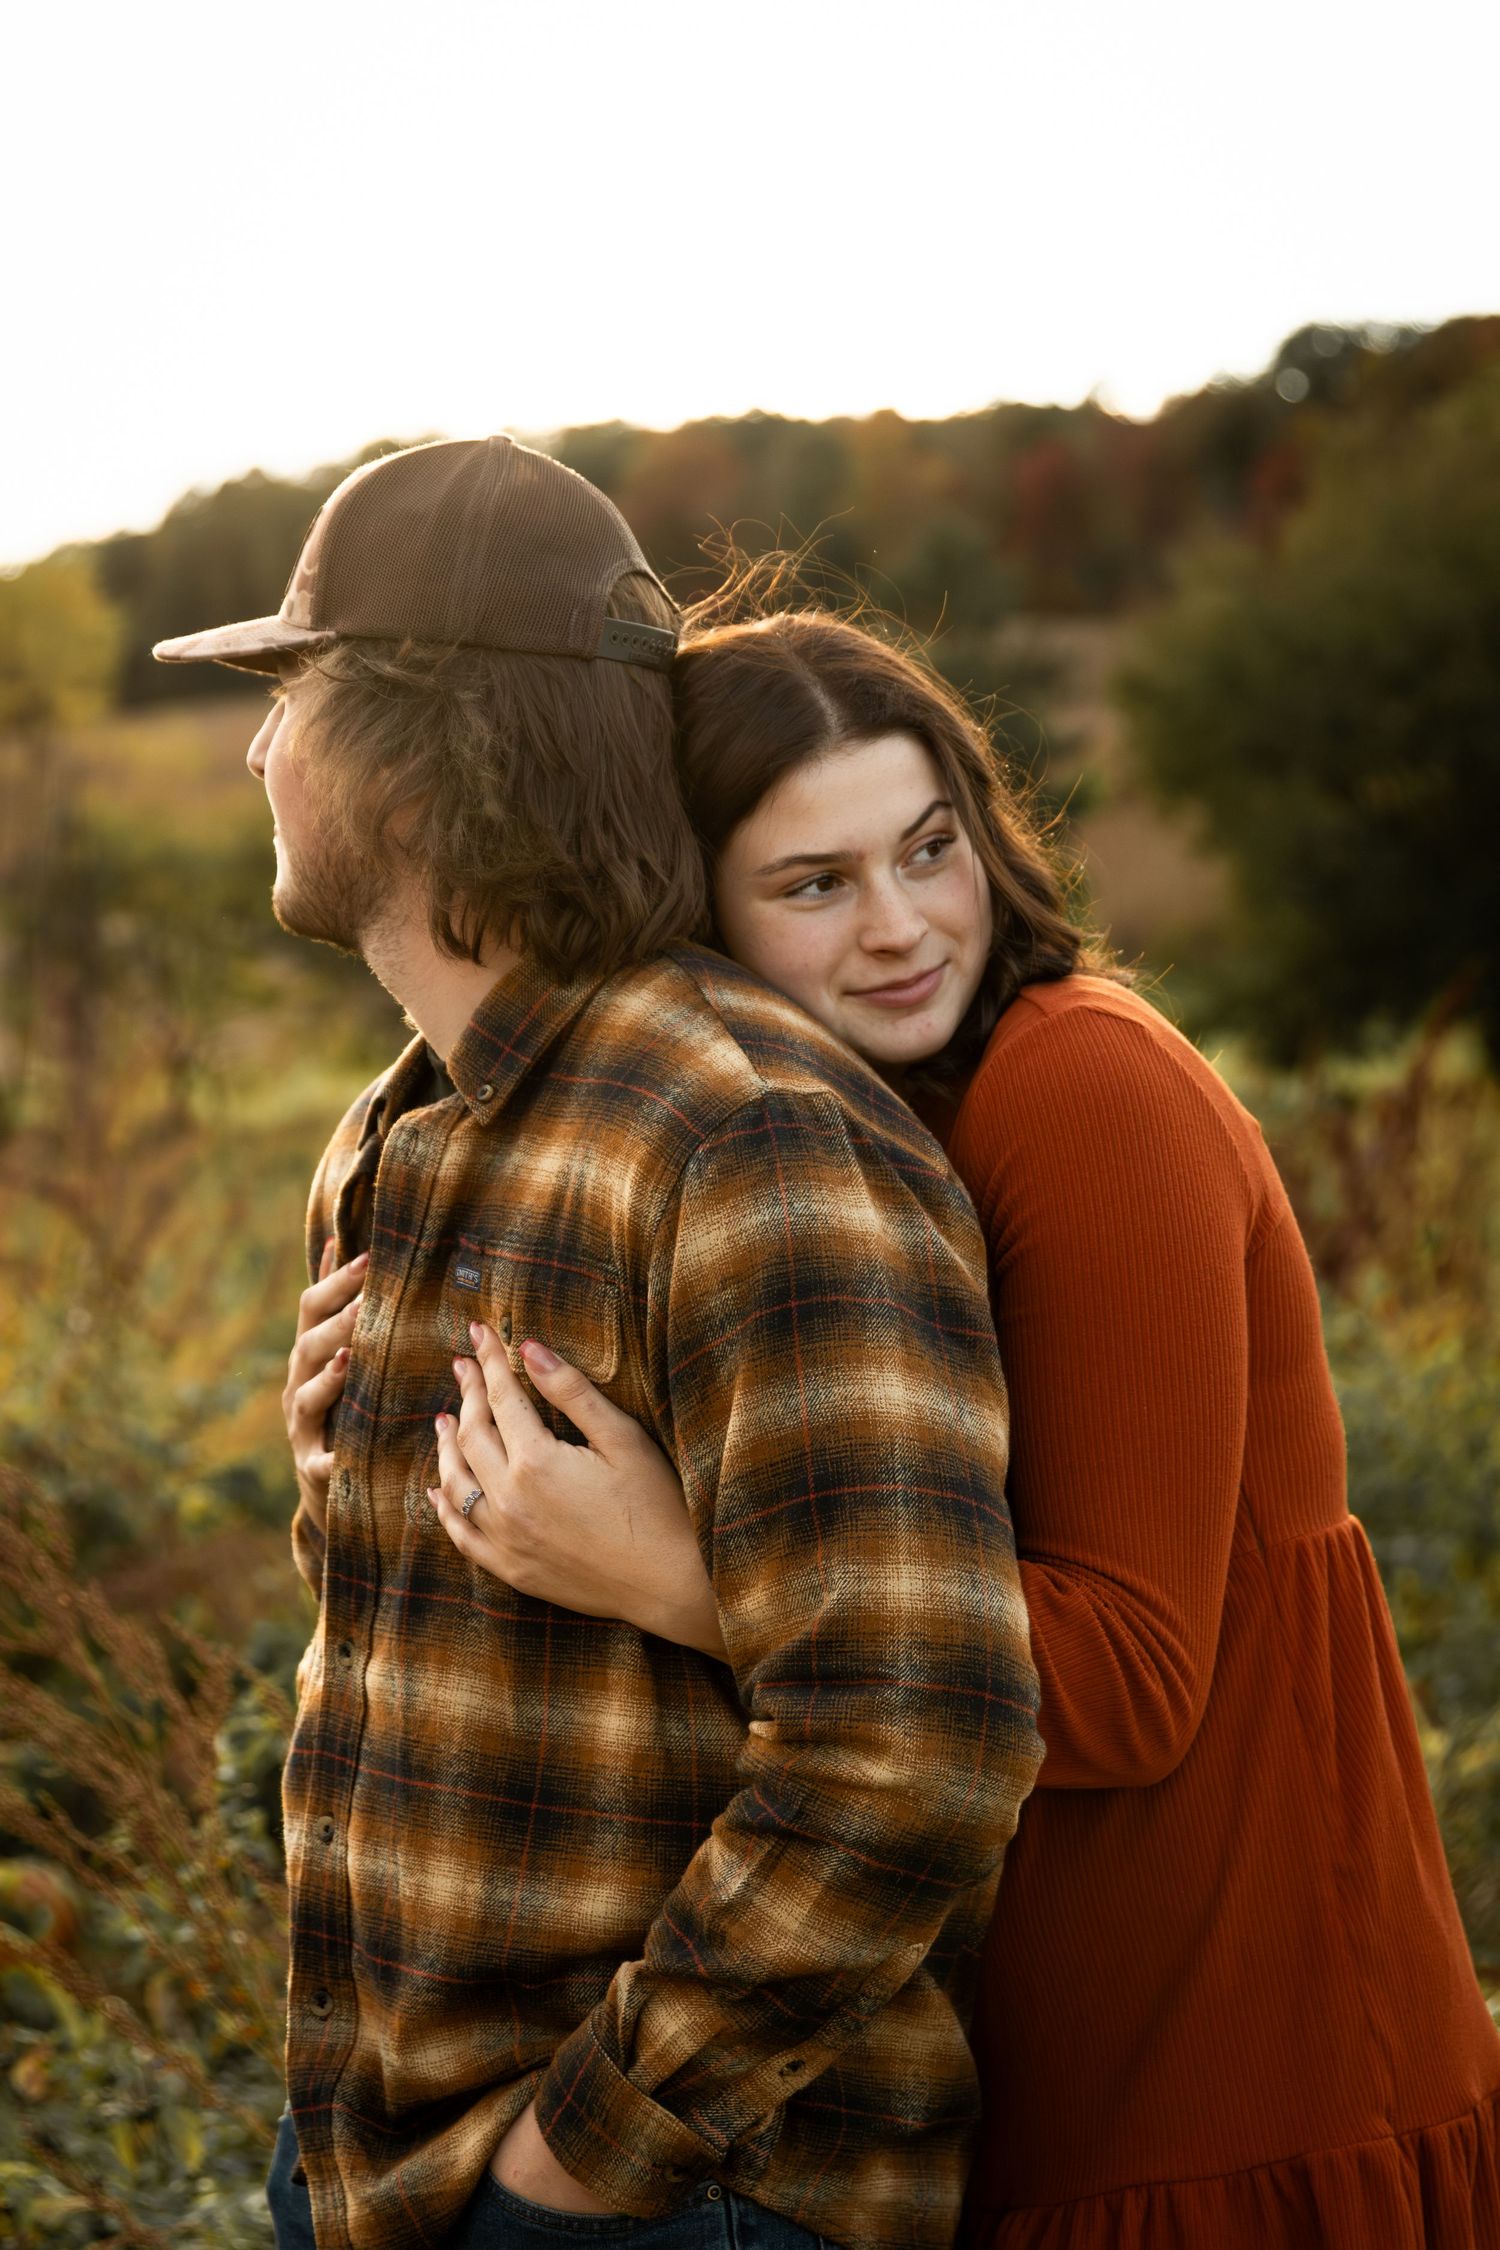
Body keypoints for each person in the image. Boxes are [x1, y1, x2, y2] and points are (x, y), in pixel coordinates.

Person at [418, 602, 1500, 2250]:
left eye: (929, 847)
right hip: (1037, 2071)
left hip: (1229, 2060)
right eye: (815, 884)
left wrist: (674, 1575)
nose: (905, 925)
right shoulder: (831, 1140)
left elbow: (1133, 1679)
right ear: (688, 908)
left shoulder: (1081, 1087)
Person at [152, 441, 1045, 2250]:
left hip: (674, 2193)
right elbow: (440, 1663)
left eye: (293, 692)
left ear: (415, 743)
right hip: (378, 2149)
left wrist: (592, 2152)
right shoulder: (393, 1138)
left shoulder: (747, 1134)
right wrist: (337, 1475)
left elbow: (916, 1741)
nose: (258, 749)